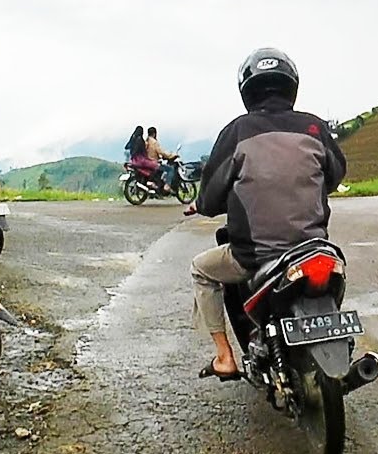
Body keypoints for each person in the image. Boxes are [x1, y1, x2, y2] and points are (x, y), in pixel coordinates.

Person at [188, 47, 346, 380]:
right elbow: (335, 175)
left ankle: (224, 357)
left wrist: (202, 206)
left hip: (254, 256)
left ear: (247, 90)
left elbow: (212, 195)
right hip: (313, 249)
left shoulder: (237, 132)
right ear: (291, 86)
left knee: (201, 269)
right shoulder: (314, 127)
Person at [146, 126, 178, 192]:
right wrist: (171, 155)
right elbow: (161, 152)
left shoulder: (147, 141)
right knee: (170, 169)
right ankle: (167, 185)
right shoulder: (154, 142)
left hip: (148, 162)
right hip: (154, 163)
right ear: (154, 133)